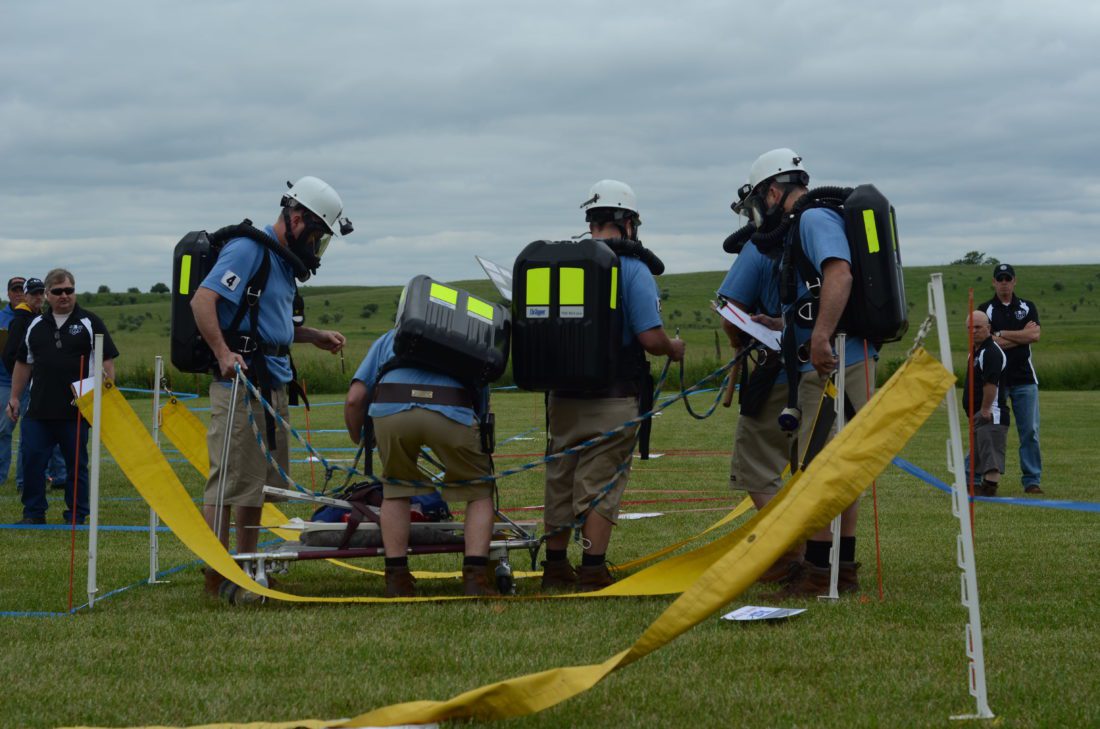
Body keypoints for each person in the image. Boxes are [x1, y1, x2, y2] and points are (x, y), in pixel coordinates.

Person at [191, 176, 348, 596]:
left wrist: (312, 336)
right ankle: (215, 571)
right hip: (240, 384)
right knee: (230, 482)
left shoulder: (281, 261)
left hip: (272, 380)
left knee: (257, 484)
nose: (315, 247)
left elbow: (269, 326)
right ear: (296, 217)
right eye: (316, 235)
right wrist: (224, 354)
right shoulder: (248, 249)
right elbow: (203, 301)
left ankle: (245, 565)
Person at [737, 149, 877, 597]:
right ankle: (841, 566)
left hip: (834, 358)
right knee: (838, 468)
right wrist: (782, 324)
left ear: (774, 192)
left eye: (761, 201)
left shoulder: (813, 220)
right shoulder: (811, 221)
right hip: (843, 354)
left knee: (823, 469)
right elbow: (817, 293)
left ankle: (821, 572)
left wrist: (820, 337)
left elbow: (839, 275)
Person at [540, 180, 685, 593]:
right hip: (615, 396)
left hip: (563, 397)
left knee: (560, 478)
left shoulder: (563, 264)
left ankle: (554, 569)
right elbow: (649, 337)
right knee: (601, 484)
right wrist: (674, 348)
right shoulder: (634, 269)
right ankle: (592, 569)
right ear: (628, 222)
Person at [344, 327, 498, 598]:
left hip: (391, 408)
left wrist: (362, 438)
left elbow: (355, 399)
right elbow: (481, 402)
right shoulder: (467, 338)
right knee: (479, 490)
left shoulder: (388, 337)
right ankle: (475, 579)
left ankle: (397, 580)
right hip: (454, 408)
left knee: (395, 488)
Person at [719, 190, 800, 584]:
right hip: (829, 368)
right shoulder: (822, 231)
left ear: (769, 193)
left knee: (754, 465)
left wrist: (739, 341)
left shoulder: (760, 246)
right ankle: (822, 554)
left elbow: (731, 312)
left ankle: (787, 553)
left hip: (778, 372)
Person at [5, 269, 118, 525]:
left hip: (77, 409)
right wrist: (14, 397)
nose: (64, 295)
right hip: (39, 409)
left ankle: (76, 514)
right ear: (47, 295)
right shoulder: (35, 325)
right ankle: (33, 513)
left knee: (76, 465)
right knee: (33, 462)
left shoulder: (90, 322)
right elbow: (23, 364)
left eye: (69, 290)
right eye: (57, 291)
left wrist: (106, 395)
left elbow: (107, 361)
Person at [979, 263, 1043, 494]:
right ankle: (987, 478)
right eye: (1000, 279)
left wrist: (1002, 334)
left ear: (1014, 281)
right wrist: (1020, 336)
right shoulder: (985, 309)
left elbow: (1034, 335)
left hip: (1025, 379)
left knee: (1030, 431)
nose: (1004, 283)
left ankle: (1032, 480)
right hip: (997, 380)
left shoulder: (1027, 307)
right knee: (991, 429)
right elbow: (985, 340)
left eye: (1008, 278)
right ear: (994, 282)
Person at [2, 278, 67, 492]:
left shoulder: (38, 318)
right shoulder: (21, 320)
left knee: (47, 431)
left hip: (41, 386)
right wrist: (22, 379)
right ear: (25, 296)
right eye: (34, 294)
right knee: (28, 435)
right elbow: (12, 355)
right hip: (27, 387)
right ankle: (24, 481)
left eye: (41, 293)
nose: (38, 297)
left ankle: (57, 476)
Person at [963, 311, 1009, 497]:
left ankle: (990, 488)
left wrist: (984, 409)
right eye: (969, 328)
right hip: (978, 413)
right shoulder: (975, 352)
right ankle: (970, 483)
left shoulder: (990, 352)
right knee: (977, 450)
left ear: (988, 328)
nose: (973, 331)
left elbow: (991, 384)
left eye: (978, 327)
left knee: (990, 451)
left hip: (991, 414)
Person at [0, 276, 27, 487]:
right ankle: (1, 475)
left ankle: (28, 478)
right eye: (14, 290)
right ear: (8, 293)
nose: (18, 293)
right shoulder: (1, 318)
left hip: (32, 384)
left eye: (21, 290)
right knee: (3, 430)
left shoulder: (37, 317)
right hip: (4, 382)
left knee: (32, 432)